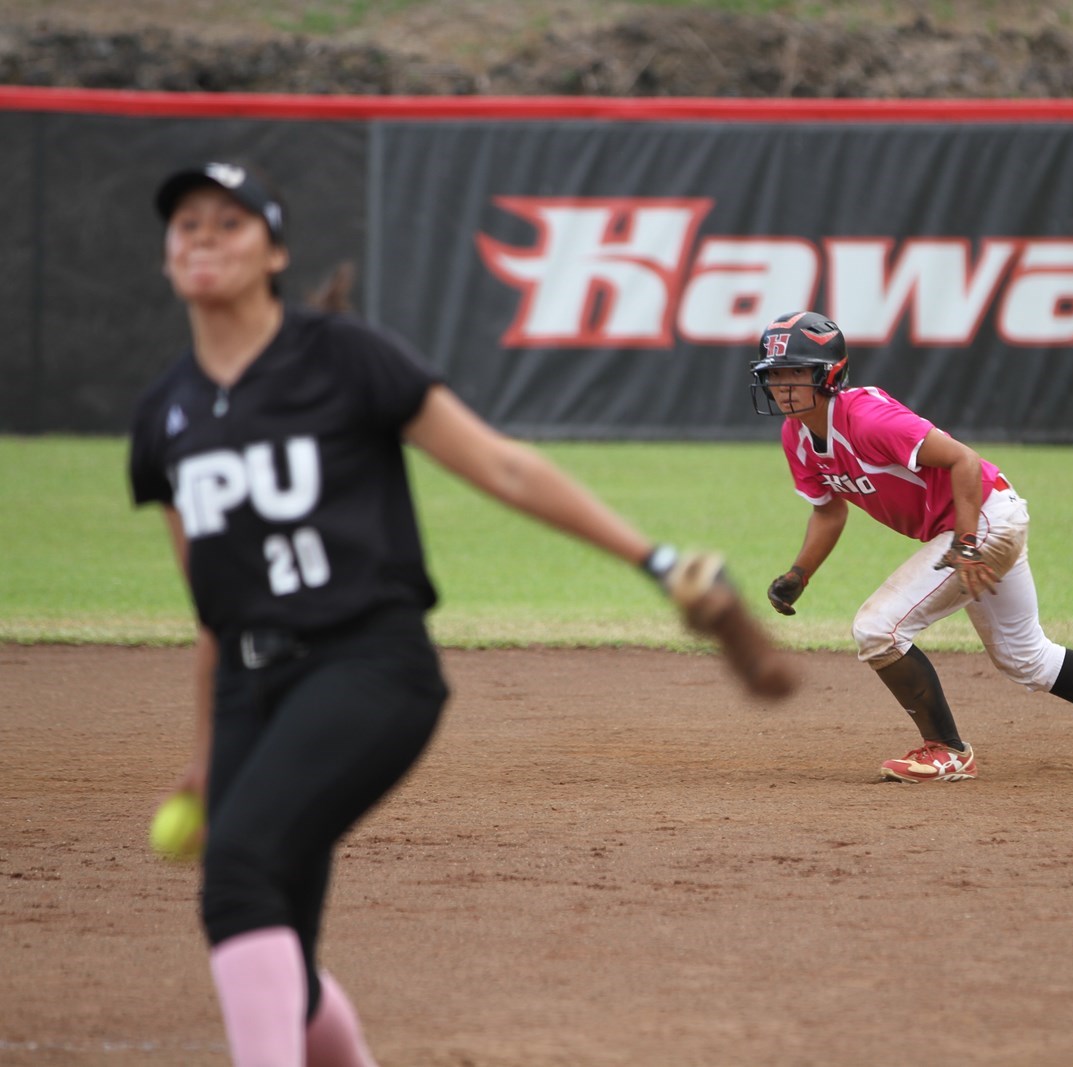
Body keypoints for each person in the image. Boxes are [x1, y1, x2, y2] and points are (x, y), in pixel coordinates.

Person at [129, 161, 744, 1067]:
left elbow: (502, 465)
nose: (204, 239)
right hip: (249, 690)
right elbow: (211, 608)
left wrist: (650, 559)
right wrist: (205, 753)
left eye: (230, 222)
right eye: (187, 224)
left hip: (366, 665)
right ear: (166, 254)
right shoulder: (164, 417)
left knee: (238, 875)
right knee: (279, 947)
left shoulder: (343, 356)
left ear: (275, 253)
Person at [749, 310, 1073, 782]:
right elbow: (829, 510)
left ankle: (947, 751)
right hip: (981, 521)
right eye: (774, 375)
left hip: (981, 520)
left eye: (795, 372)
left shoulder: (868, 418)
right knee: (1026, 658)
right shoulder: (796, 436)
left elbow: (964, 460)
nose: (783, 386)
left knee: (879, 629)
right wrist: (800, 573)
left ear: (829, 374)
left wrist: (965, 541)